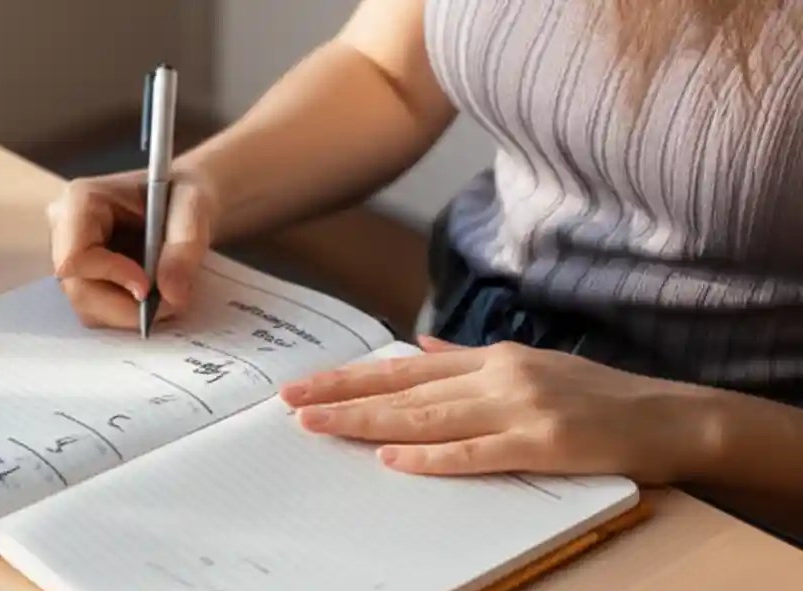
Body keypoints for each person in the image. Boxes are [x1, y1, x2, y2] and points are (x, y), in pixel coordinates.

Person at [46, 0, 803, 540]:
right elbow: (389, 74)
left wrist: (687, 424)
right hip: (456, 375)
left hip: (740, 487)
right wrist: (198, 188)